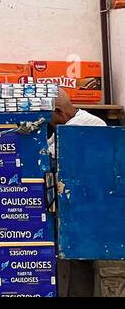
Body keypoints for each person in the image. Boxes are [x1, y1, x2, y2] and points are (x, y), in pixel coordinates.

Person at [50, 88, 107, 298]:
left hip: (91, 206)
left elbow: (47, 154)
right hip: (86, 204)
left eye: (51, 120)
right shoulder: (81, 120)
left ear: (58, 111)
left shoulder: (80, 125)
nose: (51, 125)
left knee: (82, 262)